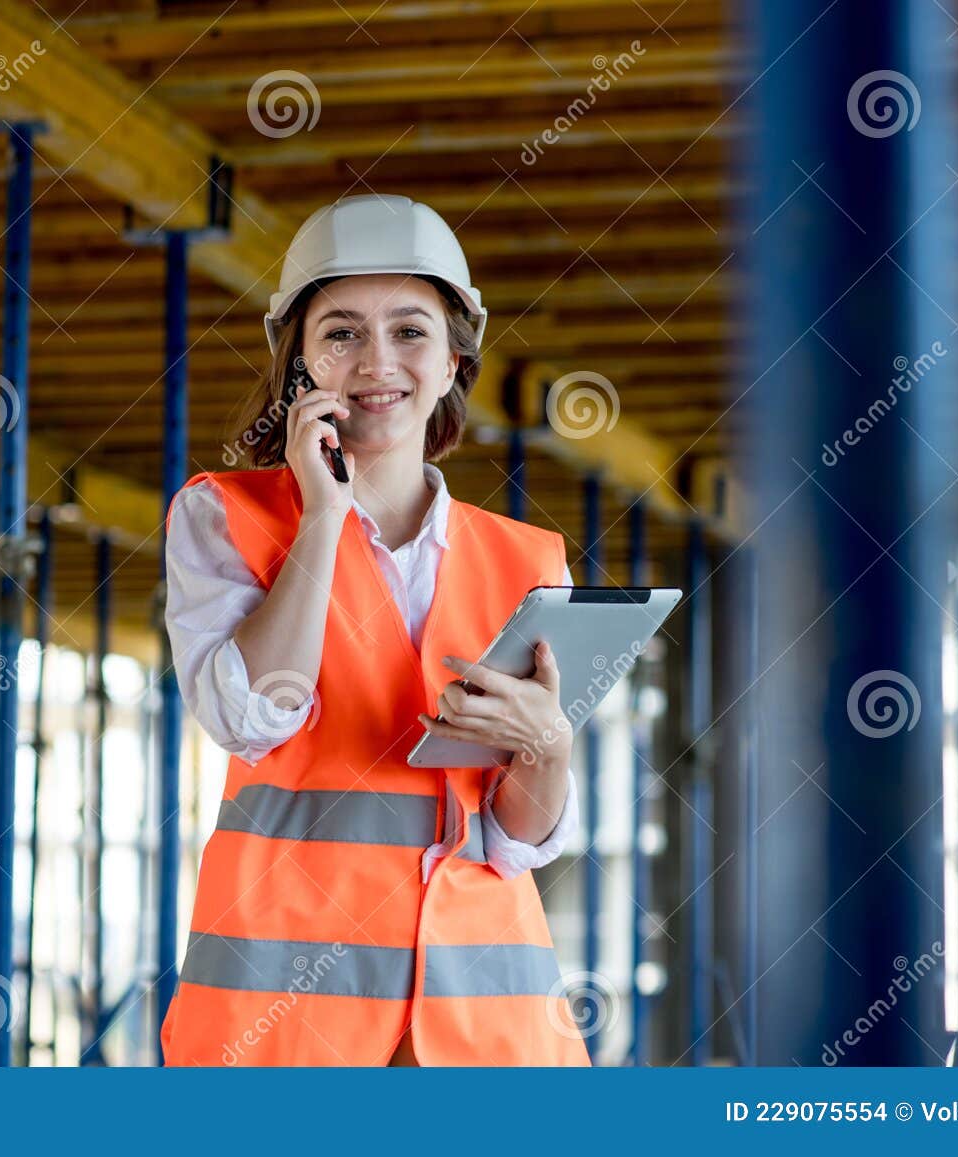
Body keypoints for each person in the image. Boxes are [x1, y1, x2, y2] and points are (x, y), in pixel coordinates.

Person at [158, 194, 590, 1067]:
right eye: (342, 332)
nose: (375, 361)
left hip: (484, 1036)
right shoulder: (225, 518)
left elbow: (511, 841)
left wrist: (549, 747)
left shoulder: (532, 560)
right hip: (284, 1023)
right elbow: (251, 718)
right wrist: (324, 516)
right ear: (300, 360)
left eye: (410, 331)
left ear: (454, 357)